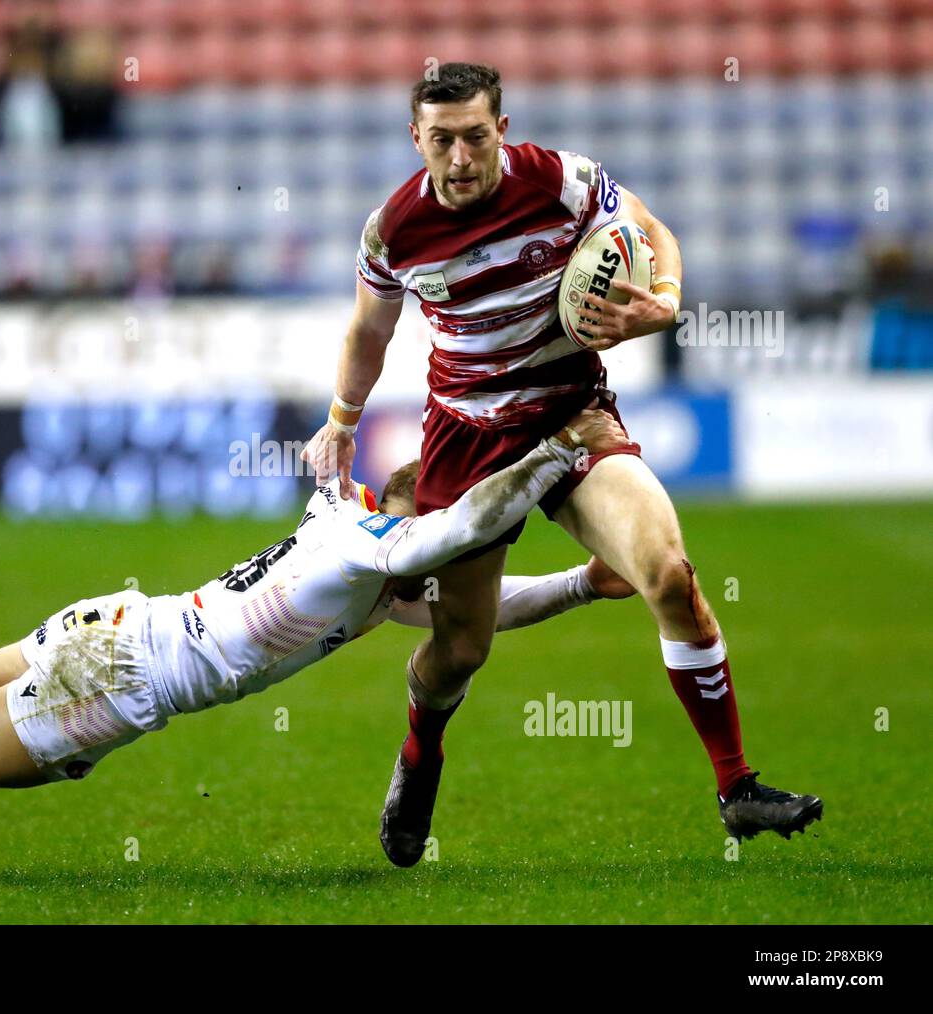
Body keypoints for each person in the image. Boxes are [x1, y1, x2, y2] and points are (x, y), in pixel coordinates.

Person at [0, 411, 631, 884]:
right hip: (120, 678)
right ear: (418, 510)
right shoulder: (378, 546)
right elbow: (460, 537)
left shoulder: (362, 549)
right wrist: (550, 455)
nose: (458, 578)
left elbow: (475, 611)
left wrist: (586, 584)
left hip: (114, 622)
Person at [300, 62, 822, 867]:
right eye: (443, 141)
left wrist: (667, 297)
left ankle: (737, 787)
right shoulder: (393, 230)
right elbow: (368, 333)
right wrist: (342, 419)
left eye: (477, 136)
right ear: (417, 139)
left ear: (501, 129)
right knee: (461, 652)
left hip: (574, 417)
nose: (463, 158)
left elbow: (650, 228)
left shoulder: (562, 182)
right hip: (468, 444)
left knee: (670, 576)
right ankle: (421, 752)